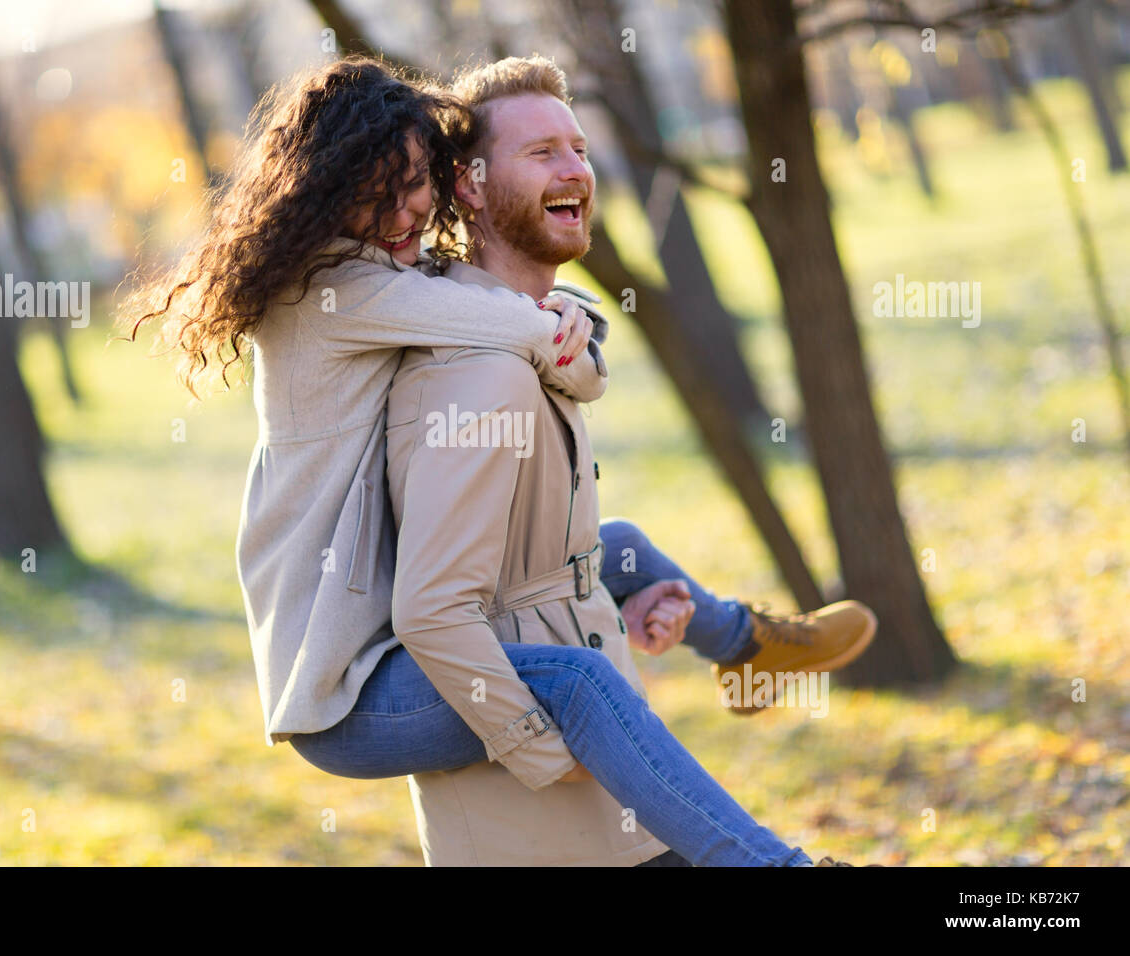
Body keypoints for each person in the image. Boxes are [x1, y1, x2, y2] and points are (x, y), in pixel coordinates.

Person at [118, 55, 873, 866]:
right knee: (580, 688)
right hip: (346, 689)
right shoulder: (329, 291)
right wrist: (543, 749)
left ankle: (745, 644)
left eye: (417, 181)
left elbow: (522, 327)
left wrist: (570, 335)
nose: (407, 207)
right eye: (380, 184)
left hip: (382, 632)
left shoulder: (387, 275)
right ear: (326, 184)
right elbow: (526, 332)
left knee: (616, 547)